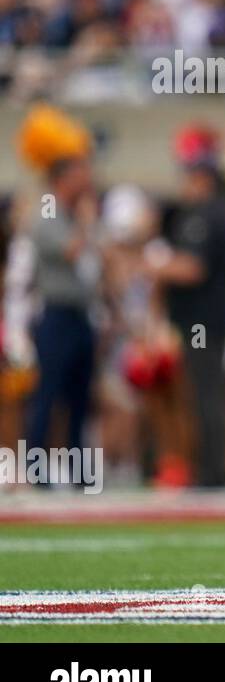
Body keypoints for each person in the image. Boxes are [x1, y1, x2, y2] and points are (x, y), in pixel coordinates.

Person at [149, 125, 225, 488]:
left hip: (204, 319)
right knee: (208, 391)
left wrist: (152, 265)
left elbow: (192, 268)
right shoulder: (218, 211)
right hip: (210, 318)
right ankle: (212, 469)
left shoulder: (207, 214)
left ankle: (213, 471)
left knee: (206, 392)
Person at [18, 107, 98, 479]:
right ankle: (35, 470)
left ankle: (80, 472)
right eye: (80, 170)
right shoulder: (48, 211)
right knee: (47, 395)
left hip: (80, 313)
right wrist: (87, 220)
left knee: (80, 397)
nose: (87, 178)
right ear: (63, 176)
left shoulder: (66, 212)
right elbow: (72, 250)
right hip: (57, 314)